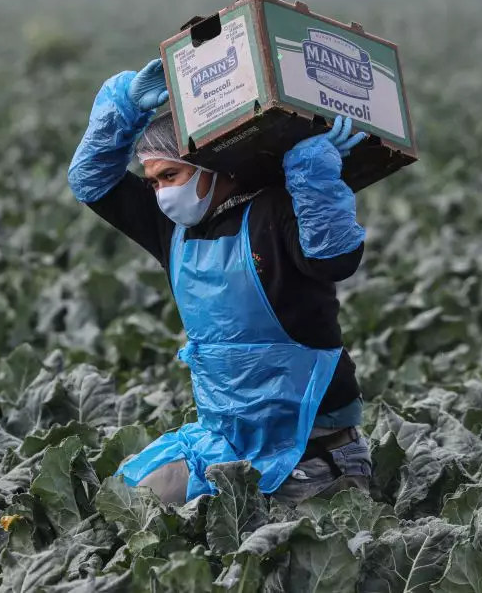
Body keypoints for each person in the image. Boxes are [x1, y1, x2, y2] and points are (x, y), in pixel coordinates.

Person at [67, 58, 373, 506]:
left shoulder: (277, 210)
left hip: (311, 447)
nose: (160, 193)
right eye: (152, 182)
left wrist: (314, 173)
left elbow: (336, 258)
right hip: (226, 441)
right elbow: (90, 183)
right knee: (128, 507)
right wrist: (125, 107)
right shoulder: (172, 228)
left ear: (212, 165)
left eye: (170, 175)